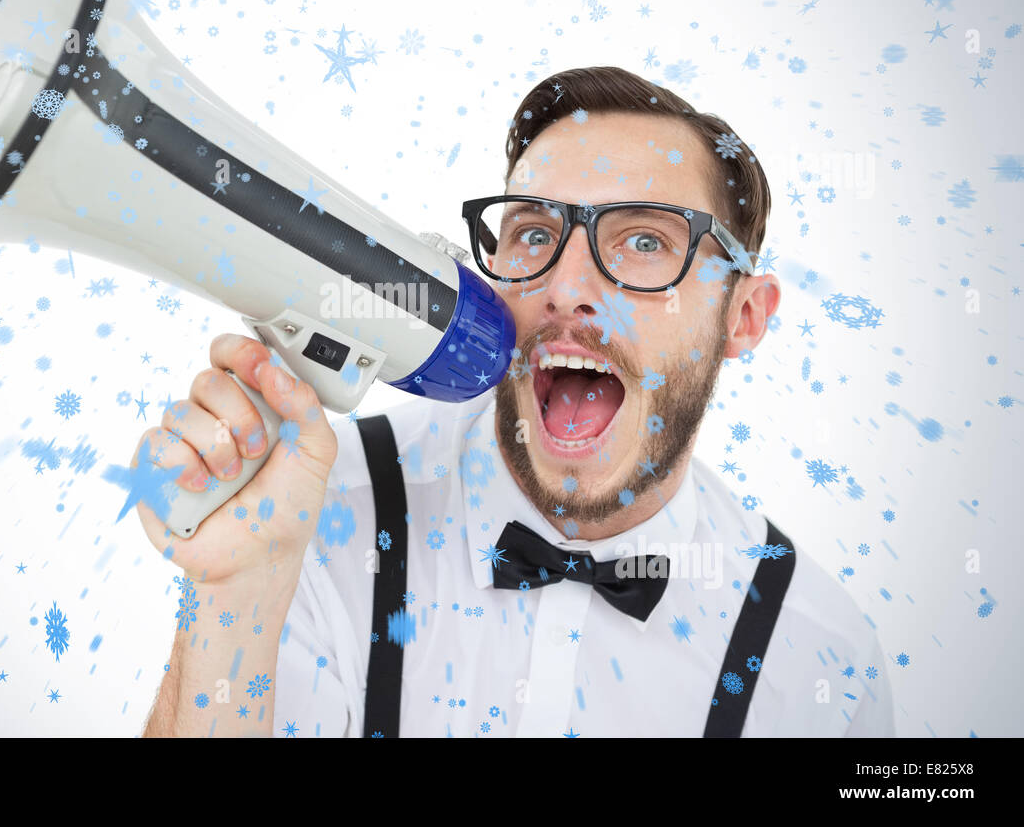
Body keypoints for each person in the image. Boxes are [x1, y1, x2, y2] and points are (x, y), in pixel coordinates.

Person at [134, 66, 895, 738]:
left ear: (745, 316)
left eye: (644, 243)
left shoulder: (822, 658)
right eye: (534, 233)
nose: (566, 290)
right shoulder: (319, 512)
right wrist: (234, 593)